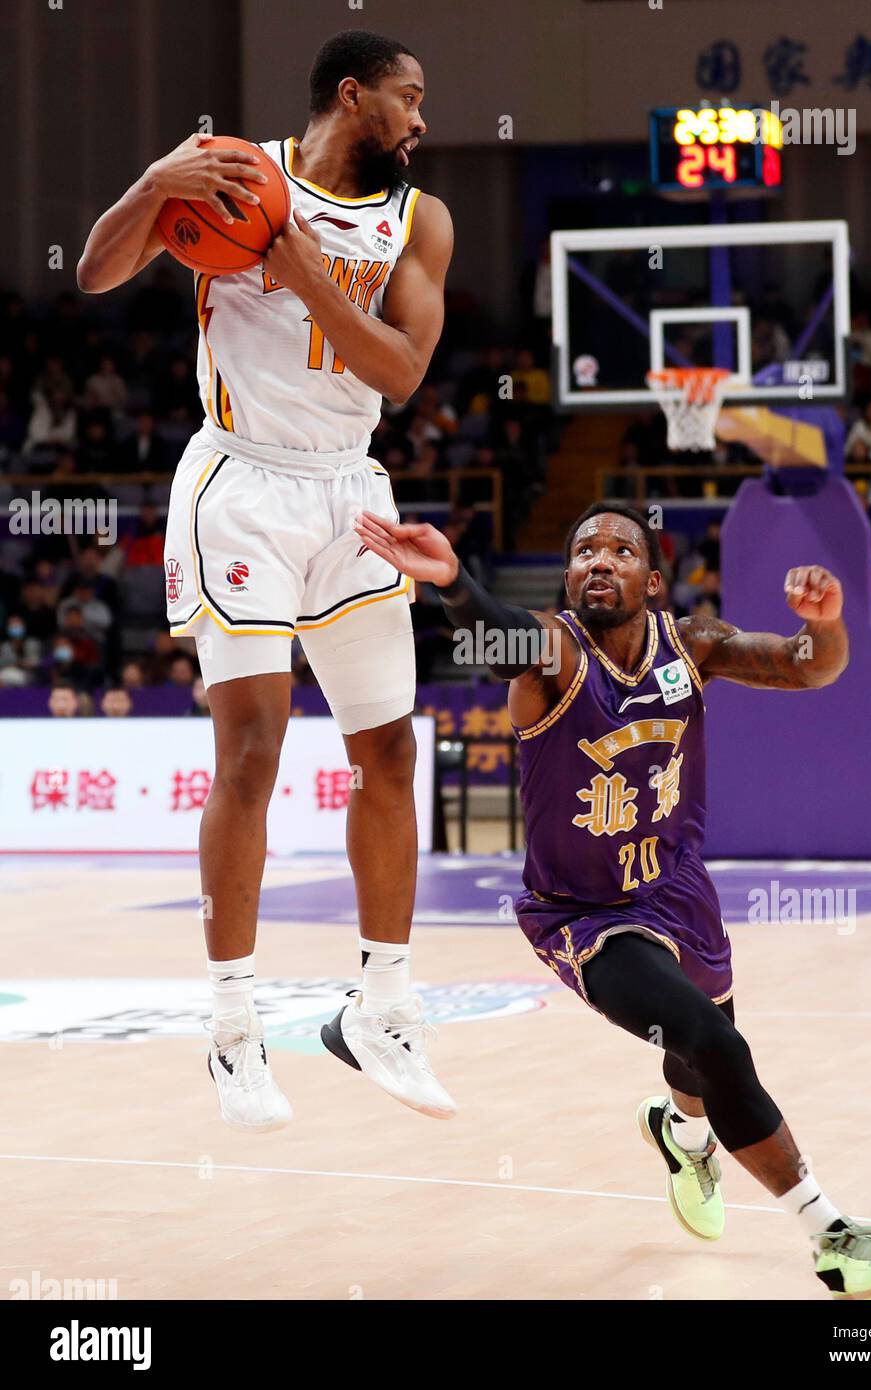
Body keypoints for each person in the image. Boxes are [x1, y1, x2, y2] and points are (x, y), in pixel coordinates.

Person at [353, 501, 871, 1300]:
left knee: (700, 1045)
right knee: (714, 1043)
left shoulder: (692, 645)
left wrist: (824, 626)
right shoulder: (552, 651)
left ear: (653, 581)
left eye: (621, 550)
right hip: (584, 914)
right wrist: (453, 581)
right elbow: (496, 634)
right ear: (568, 577)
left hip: (675, 886)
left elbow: (808, 667)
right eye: (584, 549)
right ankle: (833, 1237)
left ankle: (681, 1133)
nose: (599, 559)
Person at [77, 29, 454, 1130]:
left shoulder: (418, 218)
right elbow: (97, 271)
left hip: (351, 490)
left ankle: (382, 1006)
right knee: (251, 752)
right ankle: (233, 1025)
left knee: (390, 752)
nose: (421, 119)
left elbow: (401, 371)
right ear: (354, 94)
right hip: (241, 483)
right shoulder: (235, 173)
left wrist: (299, 275)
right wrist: (157, 183)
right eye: (409, 96)